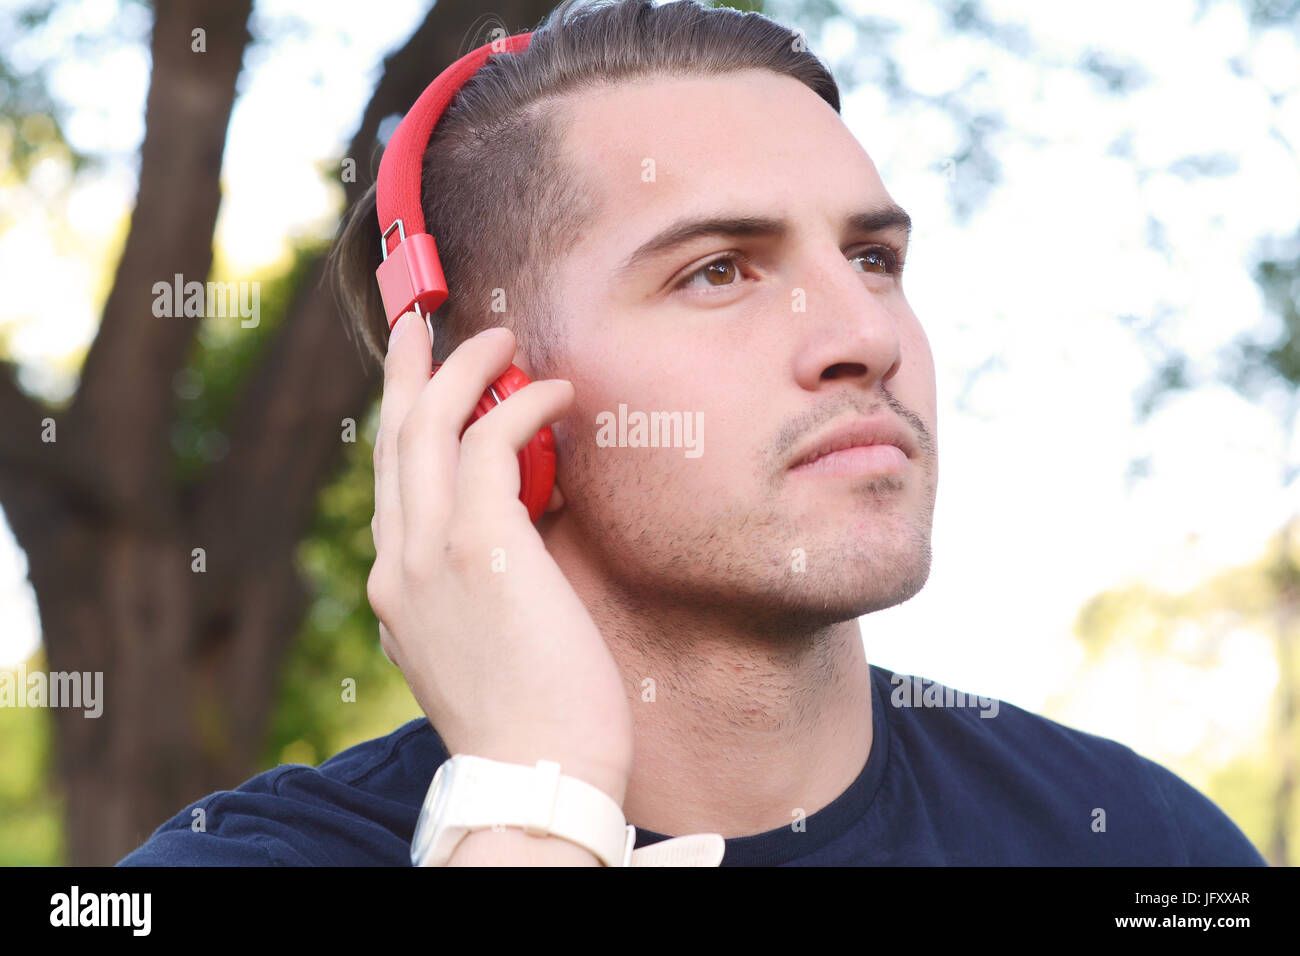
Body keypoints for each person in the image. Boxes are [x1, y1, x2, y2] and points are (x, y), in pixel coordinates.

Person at [118, 0, 1265, 867]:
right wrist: (534, 801)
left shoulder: (1143, 843)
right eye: (720, 269)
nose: (863, 331)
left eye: (872, 258)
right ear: (485, 402)